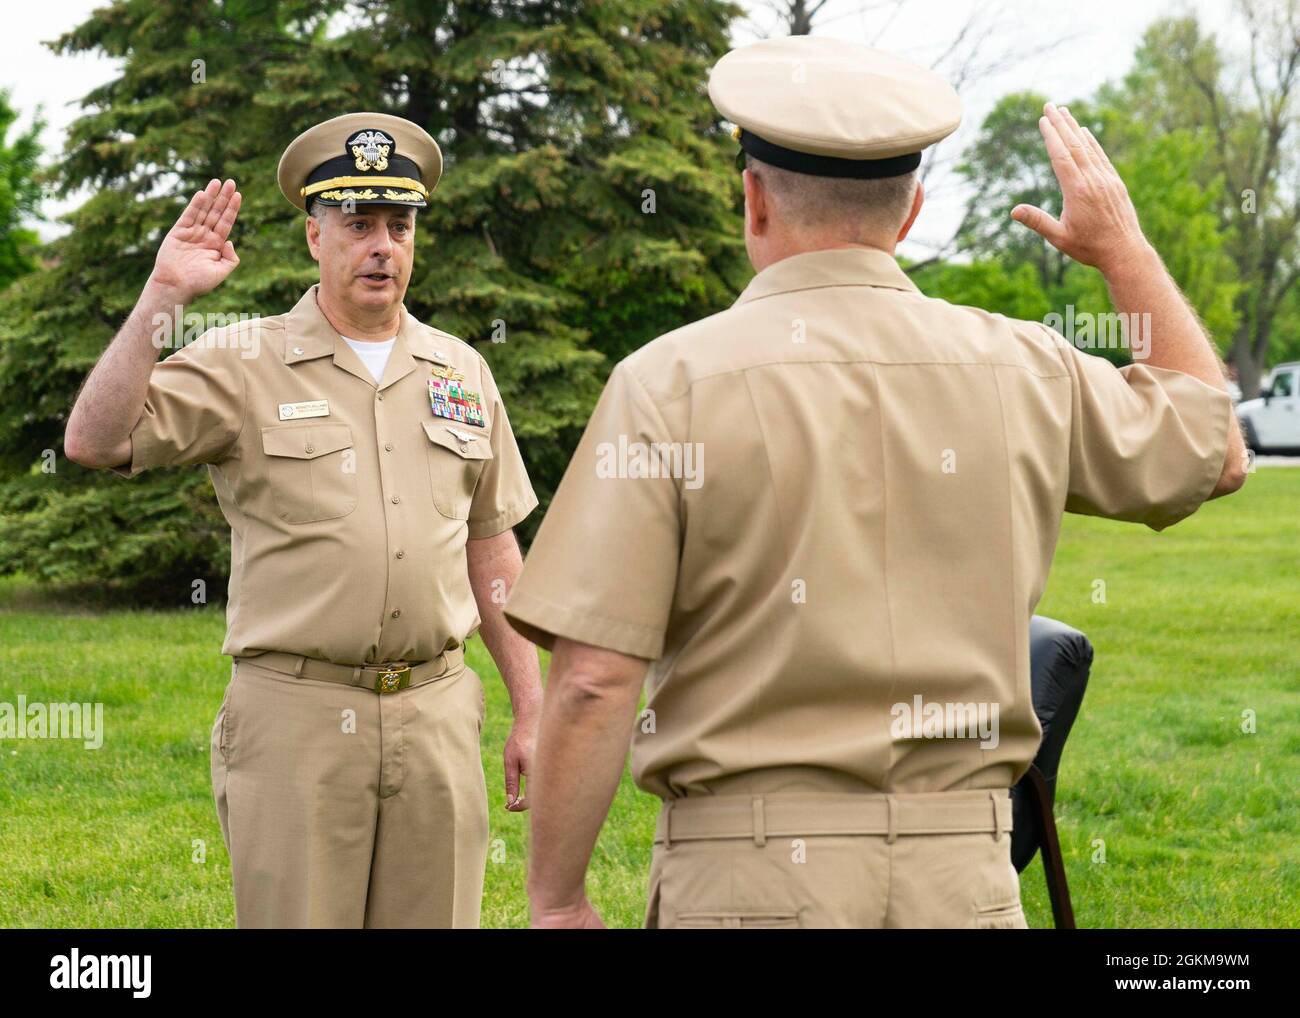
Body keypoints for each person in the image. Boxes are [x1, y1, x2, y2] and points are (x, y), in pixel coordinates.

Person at [501, 38, 1247, 929]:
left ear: (753, 199)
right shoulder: (1026, 366)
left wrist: (554, 902)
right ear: (912, 210)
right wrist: (1123, 252)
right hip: (966, 883)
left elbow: (591, 681)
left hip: (747, 882)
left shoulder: (670, 382)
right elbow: (1216, 448)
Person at [63, 112, 543, 928]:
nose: (383, 245)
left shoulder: (461, 370)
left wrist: (533, 707)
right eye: (358, 225)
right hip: (297, 722)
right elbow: (95, 440)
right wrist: (164, 295)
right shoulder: (244, 359)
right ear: (313, 237)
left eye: (399, 225)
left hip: (436, 718)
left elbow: (490, 544)